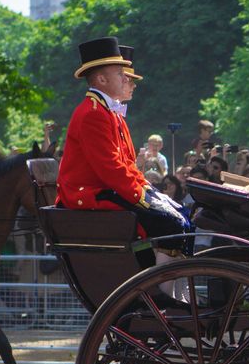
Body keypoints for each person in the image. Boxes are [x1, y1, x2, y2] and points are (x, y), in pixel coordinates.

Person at [56, 37, 188, 257]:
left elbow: (125, 165)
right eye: (120, 74)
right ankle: (158, 286)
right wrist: (146, 198)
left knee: (177, 216)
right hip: (90, 194)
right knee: (168, 223)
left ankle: (166, 285)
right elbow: (112, 170)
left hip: (106, 189)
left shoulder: (104, 112)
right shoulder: (93, 114)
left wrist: (150, 192)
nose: (127, 79)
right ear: (101, 79)